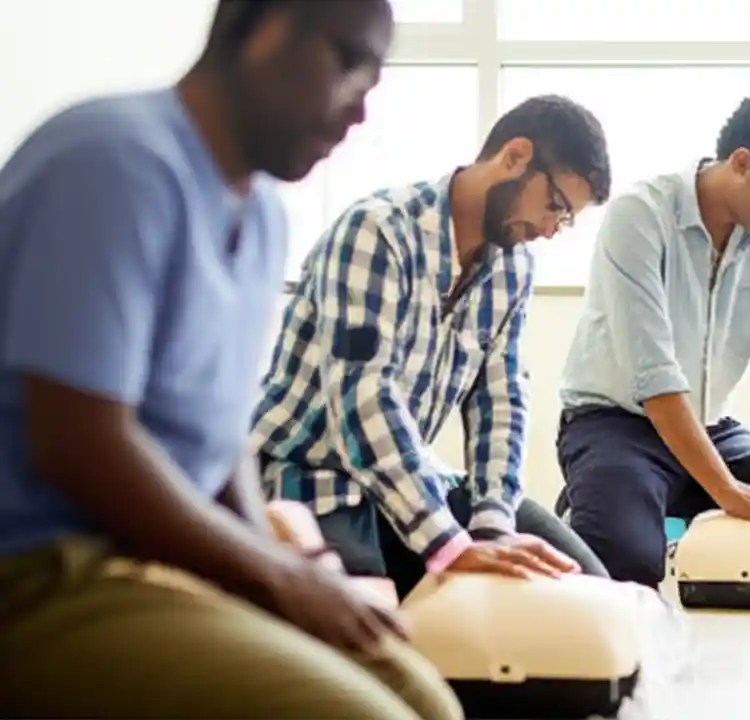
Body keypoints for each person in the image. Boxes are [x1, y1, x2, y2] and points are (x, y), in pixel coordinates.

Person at [0, 2, 466, 718]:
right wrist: (274, 578)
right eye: (348, 62)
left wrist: (295, 569)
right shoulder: (114, 162)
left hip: (141, 565)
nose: (360, 112)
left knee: (423, 696)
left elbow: (221, 450)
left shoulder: (265, 220)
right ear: (265, 26)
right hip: (40, 573)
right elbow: (80, 442)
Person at [250, 94, 614, 601]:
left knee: (587, 588)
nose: (552, 231)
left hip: (411, 480)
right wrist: (448, 544)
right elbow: (363, 398)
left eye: (567, 220)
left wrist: (492, 526)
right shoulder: (377, 233)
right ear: (514, 157)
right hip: (313, 475)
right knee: (366, 621)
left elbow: (500, 400)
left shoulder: (513, 267)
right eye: (555, 206)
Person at [554, 91, 750, 589]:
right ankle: (603, 500)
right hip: (618, 424)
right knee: (629, 565)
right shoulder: (640, 216)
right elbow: (654, 377)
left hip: (712, 428)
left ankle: (667, 499)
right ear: (742, 162)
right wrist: (725, 491)